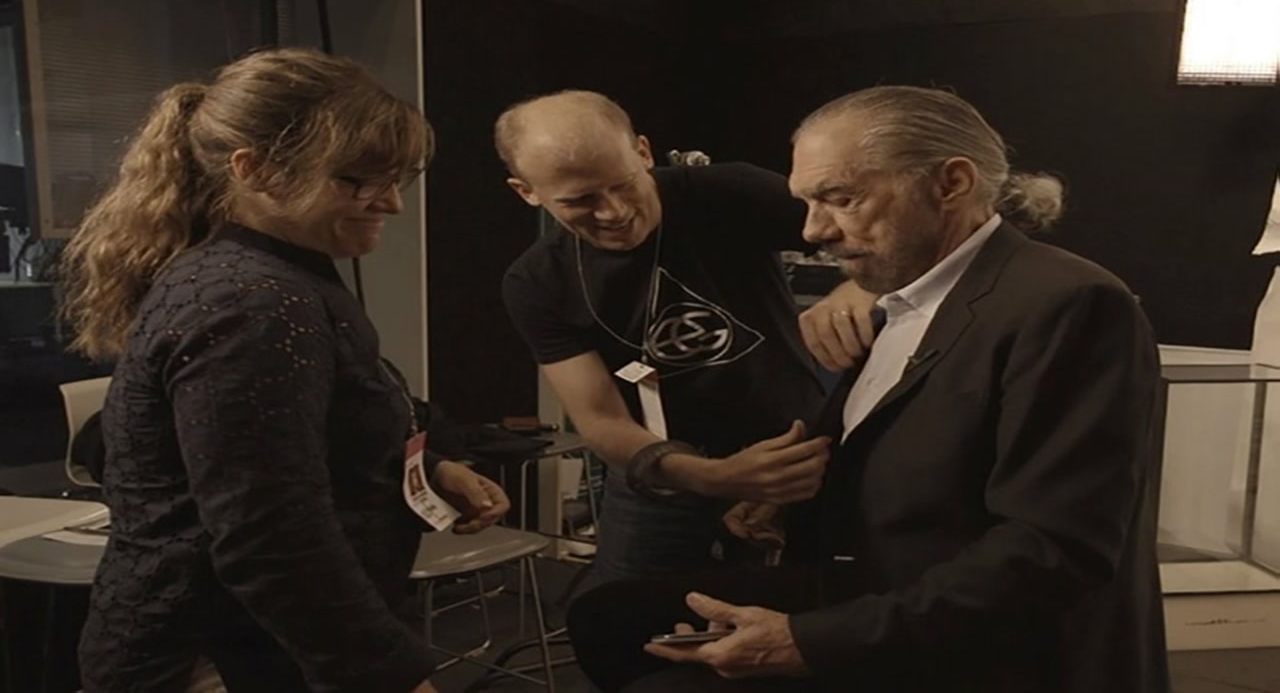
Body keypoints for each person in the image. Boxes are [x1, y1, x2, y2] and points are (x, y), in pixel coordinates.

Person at [567, 85, 1169, 693]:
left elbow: (1054, 549)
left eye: (840, 199)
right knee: (607, 617)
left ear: (951, 183)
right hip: (873, 581)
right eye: (805, 203)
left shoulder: (1071, 303)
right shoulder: (906, 293)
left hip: (963, 634)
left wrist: (809, 643)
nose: (813, 230)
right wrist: (794, 496)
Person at [60, 47, 510, 693]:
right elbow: (269, 535)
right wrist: (389, 676)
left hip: (259, 643)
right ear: (256, 170)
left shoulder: (274, 276)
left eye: (395, 180)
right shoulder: (251, 300)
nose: (391, 205)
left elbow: (291, 440)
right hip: (221, 656)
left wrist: (431, 466)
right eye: (357, 180)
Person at [497, 90, 880, 585]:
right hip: (662, 474)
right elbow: (600, 418)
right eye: (580, 200)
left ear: (642, 151)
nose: (613, 212)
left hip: (795, 449)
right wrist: (713, 476)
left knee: (802, 610)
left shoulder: (729, 192)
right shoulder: (536, 281)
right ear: (526, 191)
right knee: (624, 620)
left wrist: (860, 285)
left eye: (623, 184)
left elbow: (885, 240)